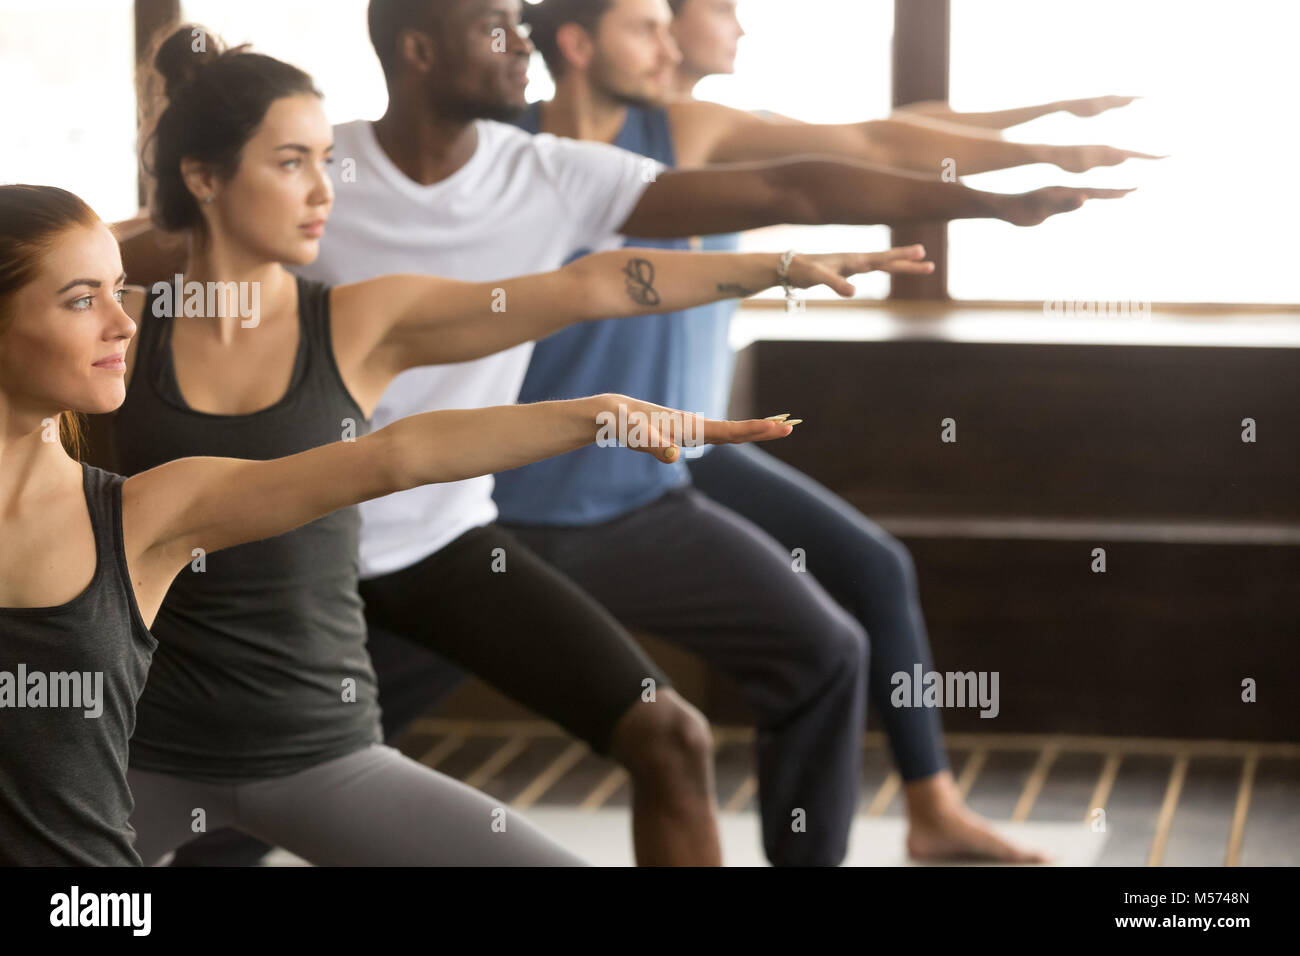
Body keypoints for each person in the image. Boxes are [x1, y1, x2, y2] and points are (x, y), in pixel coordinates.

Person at [125, 0, 1126, 867]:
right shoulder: (198, 260)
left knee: (666, 733)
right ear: (420, 48)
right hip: (292, 565)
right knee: (231, 802)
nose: (320, 190)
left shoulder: (486, 217)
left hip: (439, 534)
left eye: (319, 165)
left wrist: (806, 258)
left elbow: (605, 277)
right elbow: (119, 248)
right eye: (495, 25)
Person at [493, 0, 1150, 862]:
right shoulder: (511, 154)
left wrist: (1028, 152)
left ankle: (926, 807)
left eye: (667, 23)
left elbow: (880, 141)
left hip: (664, 470)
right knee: (341, 729)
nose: (714, 30)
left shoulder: (690, 129)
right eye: (661, 21)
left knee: (847, 609)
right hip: (515, 487)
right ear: (579, 44)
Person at [0, 183, 801, 865]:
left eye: (118, 287)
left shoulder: (145, 514)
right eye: (83, 299)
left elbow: (394, 456)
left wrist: (596, 416)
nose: (124, 320)